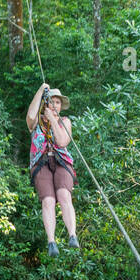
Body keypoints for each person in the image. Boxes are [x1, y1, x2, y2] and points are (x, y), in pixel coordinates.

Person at [27, 81, 80, 256]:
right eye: (52, 101)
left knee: (64, 195)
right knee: (48, 200)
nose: (55, 104)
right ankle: (51, 241)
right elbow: (29, 116)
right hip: (41, 162)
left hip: (61, 162)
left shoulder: (65, 122)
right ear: (45, 103)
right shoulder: (37, 122)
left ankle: (72, 235)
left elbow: (62, 142)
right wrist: (41, 89)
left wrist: (52, 119)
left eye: (58, 102)